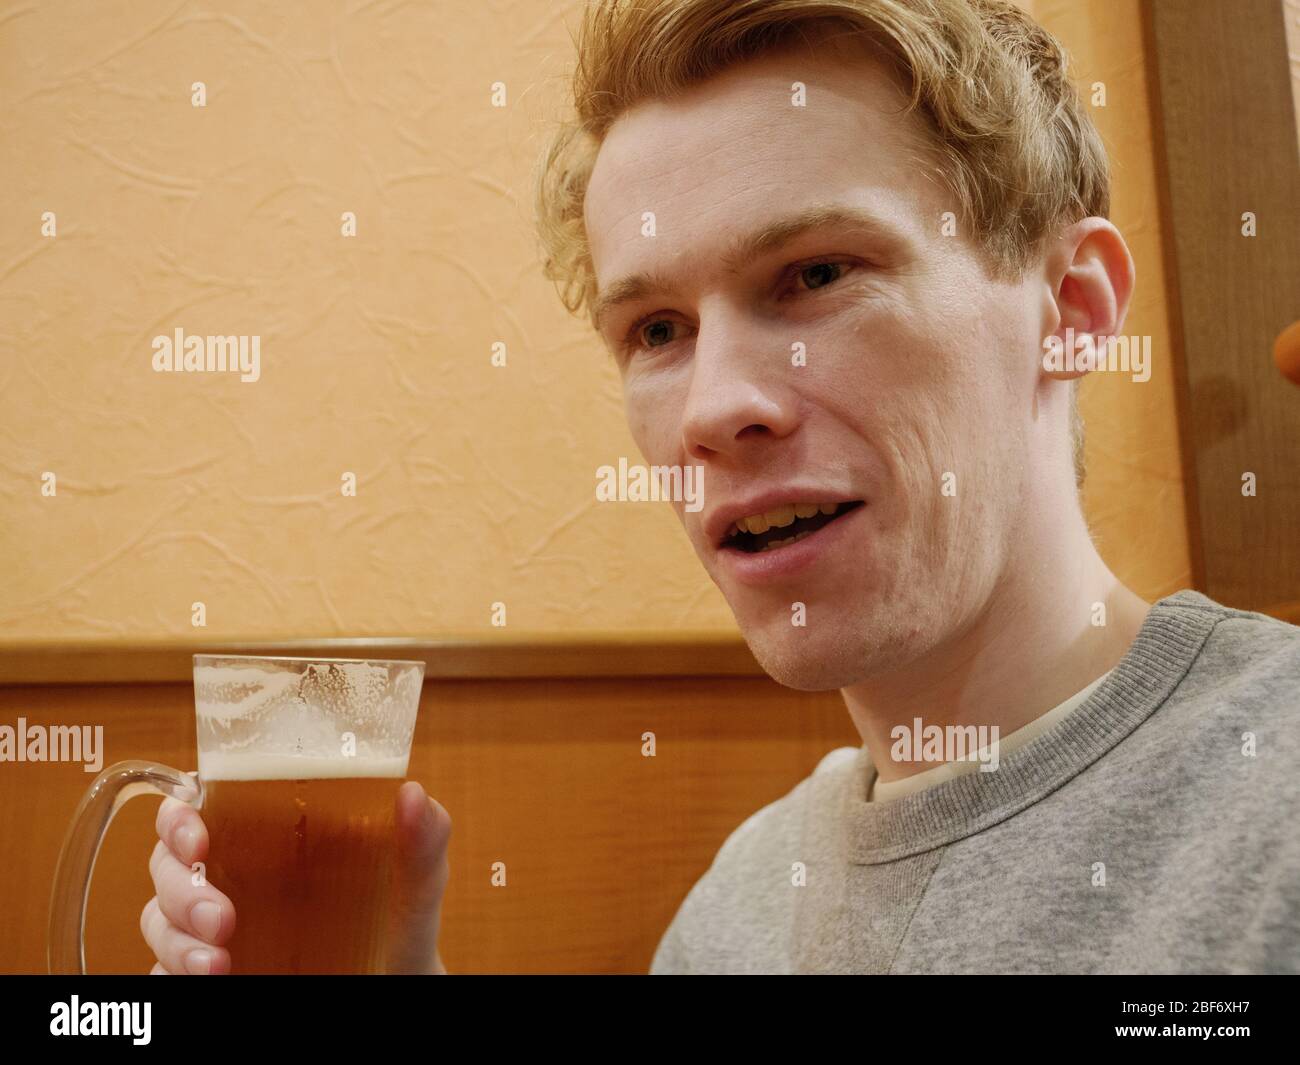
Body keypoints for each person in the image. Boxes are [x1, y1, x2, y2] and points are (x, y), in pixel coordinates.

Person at [141, 0, 1300, 974]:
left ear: (1073, 307)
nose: (709, 410)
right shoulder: (739, 908)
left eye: (813, 274)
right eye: (655, 328)